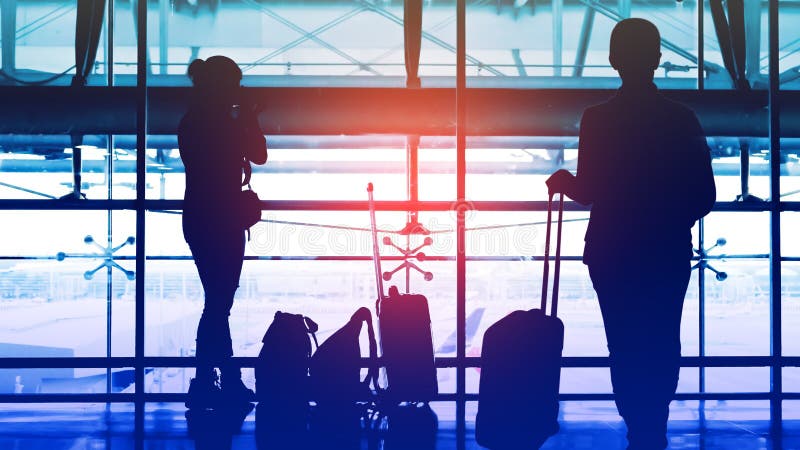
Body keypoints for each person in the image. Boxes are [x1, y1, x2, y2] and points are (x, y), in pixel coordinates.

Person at [546, 19, 716, 450]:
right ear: (657, 59)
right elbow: (704, 194)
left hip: (612, 251)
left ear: (613, 59)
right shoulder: (681, 119)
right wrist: (665, 220)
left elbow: (588, 191)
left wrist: (564, 181)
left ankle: (637, 424)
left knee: (622, 340)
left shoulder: (598, 119)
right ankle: (653, 423)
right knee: (662, 336)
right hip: (665, 252)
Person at [179, 55, 268, 408]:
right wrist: (249, 116)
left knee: (217, 303)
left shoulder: (193, 121)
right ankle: (215, 380)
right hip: (223, 220)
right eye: (235, 84)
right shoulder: (220, 123)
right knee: (219, 305)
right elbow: (258, 154)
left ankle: (213, 381)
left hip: (201, 219)